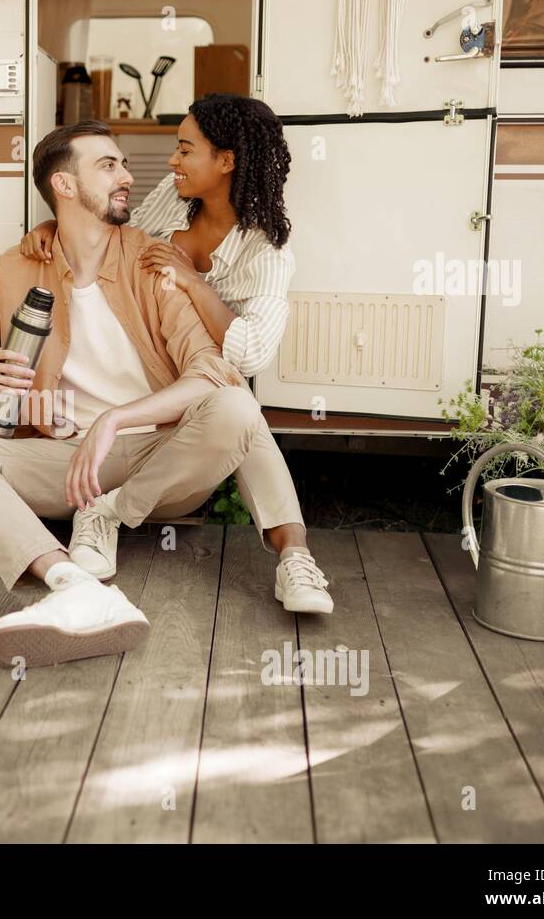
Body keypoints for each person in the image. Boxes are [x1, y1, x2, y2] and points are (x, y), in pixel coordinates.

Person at [0, 120, 291, 671]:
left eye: (123, 163)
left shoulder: (150, 262)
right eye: (108, 166)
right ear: (64, 186)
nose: (127, 175)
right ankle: (71, 583)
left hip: (160, 460)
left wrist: (114, 420)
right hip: (66, 466)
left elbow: (210, 371)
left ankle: (110, 516)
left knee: (235, 406)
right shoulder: (16, 267)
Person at [19, 94, 333, 617]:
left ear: (226, 162)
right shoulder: (172, 196)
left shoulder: (266, 252)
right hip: (148, 366)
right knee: (242, 410)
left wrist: (193, 282)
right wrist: (52, 228)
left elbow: (252, 352)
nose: (171, 161)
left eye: (186, 149)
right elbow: (111, 235)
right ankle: (294, 555)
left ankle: (114, 511)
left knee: (237, 403)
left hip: (199, 386)